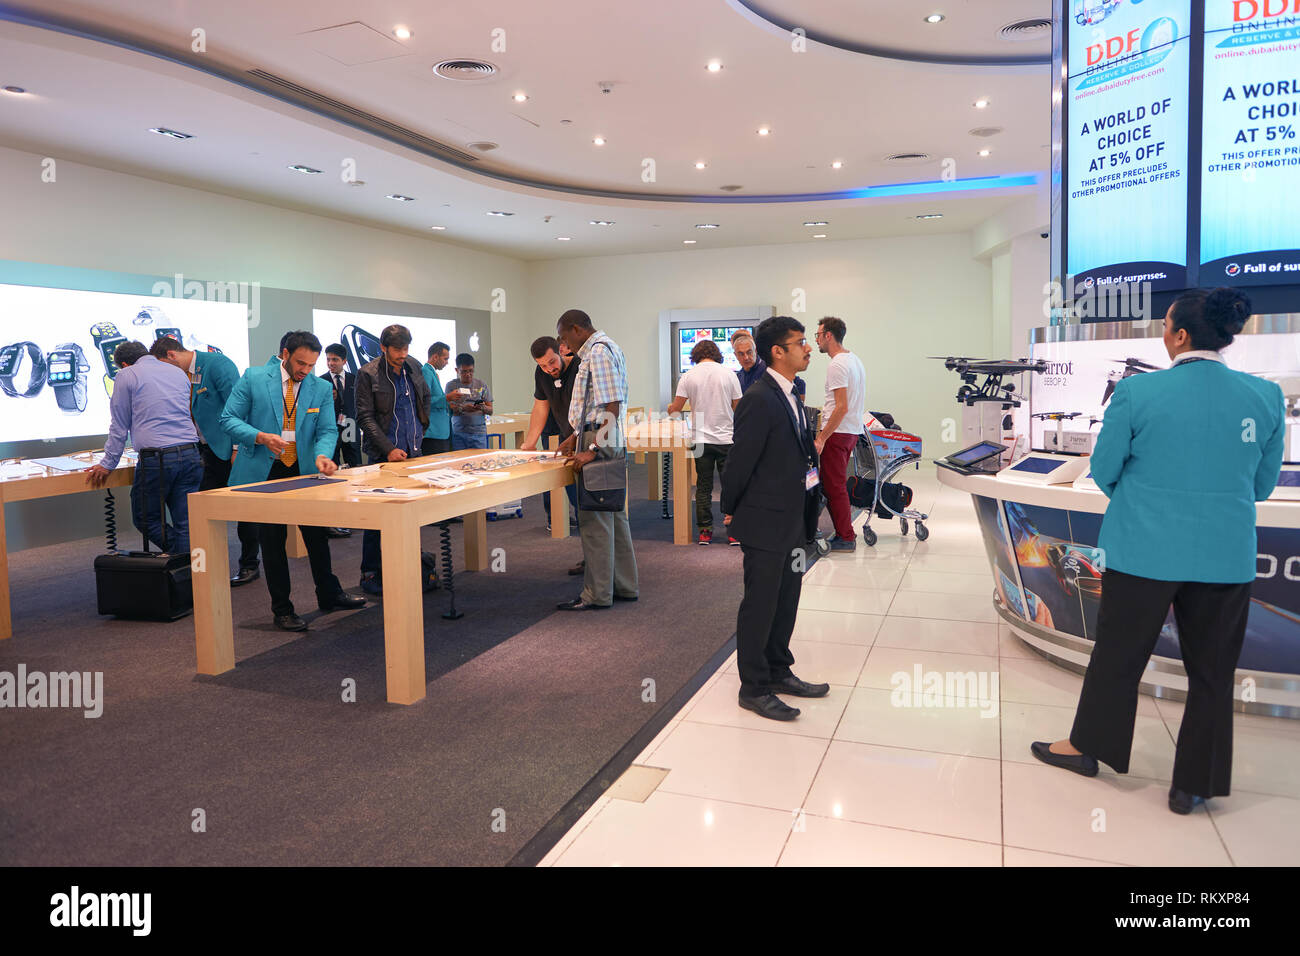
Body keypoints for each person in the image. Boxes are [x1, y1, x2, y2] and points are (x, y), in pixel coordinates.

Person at [1032, 288, 1285, 815]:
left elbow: (1103, 471)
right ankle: (1194, 784)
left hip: (1141, 552)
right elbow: (1261, 487)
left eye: (1166, 327)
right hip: (1224, 557)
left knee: (1118, 657)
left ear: (1181, 336)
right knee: (1213, 673)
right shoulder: (1263, 398)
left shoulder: (1137, 394)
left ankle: (1088, 748)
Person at [721, 316, 829, 721]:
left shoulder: (790, 392)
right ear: (777, 352)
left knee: (786, 600)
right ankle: (753, 687)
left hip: (793, 517)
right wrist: (730, 508)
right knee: (761, 604)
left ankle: (779, 670)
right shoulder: (759, 398)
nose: (809, 348)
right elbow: (739, 462)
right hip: (765, 520)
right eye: (801, 342)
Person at [220, 330, 365, 631]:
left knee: (317, 537)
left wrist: (323, 455)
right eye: (301, 363)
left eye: (311, 365)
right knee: (273, 543)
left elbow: (326, 430)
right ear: (285, 354)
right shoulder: (254, 378)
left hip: (304, 471)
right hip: (265, 472)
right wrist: (258, 436)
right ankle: (282, 609)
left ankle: (329, 593)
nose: (305, 371)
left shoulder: (320, 388)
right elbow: (228, 419)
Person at [150, 336, 263, 585]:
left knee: (244, 509)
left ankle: (249, 564)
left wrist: (237, 449)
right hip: (206, 450)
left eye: (162, 364)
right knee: (203, 510)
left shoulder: (217, 364)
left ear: (171, 355)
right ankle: (204, 566)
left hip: (232, 450)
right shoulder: (183, 375)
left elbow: (240, 408)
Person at [86, 340, 203, 555]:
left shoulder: (126, 375)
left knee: (145, 518)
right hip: (190, 453)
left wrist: (107, 463)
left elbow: (119, 425)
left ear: (124, 364)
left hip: (157, 459)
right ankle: (191, 575)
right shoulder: (178, 373)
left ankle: (180, 560)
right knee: (186, 522)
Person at [555, 310, 638, 610]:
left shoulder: (598, 352)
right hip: (597, 435)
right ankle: (624, 587)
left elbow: (611, 405)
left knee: (595, 521)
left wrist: (593, 449)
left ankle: (596, 595)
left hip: (600, 438)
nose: (564, 345)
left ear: (577, 329)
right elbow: (596, 403)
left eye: (565, 337)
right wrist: (574, 435)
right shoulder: (607, 347)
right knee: (614, 516)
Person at [354, 324, 432, 596]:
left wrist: (423, 428)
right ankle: (370, 572)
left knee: (410, 514)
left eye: (406, 348)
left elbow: (424, 398)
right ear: (384, 347)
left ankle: (407, 567)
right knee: (379, 517)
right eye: (397, 349)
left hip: (413, 453)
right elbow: (364, 417)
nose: (402, 354)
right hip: (383, 457)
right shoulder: (368, 374)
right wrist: (387, 449)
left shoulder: (413, 366)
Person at [667, 339, 741, 545]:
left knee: (703, 486)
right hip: (727, 438)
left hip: (700, 439)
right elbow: (739, 408)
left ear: (695, 356)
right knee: (730, 485)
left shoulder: (688, 376)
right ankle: (733, 530)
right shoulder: (729, 374)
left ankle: (705, 531)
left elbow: (676, 408)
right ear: (717, 354)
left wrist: (669, 408)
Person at [813, 316, 868, 552]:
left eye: (817, 335)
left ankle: (846, 536)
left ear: (828, 335)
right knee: (833, 484)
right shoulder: (854, 360)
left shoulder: (836, 364)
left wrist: (822, 437)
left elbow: (841, 406)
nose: (816, 340)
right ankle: (842, 532)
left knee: (833, 486)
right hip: (850, 431)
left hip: (838, 433)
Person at [523, 335, 580, 534]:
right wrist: (529, 444)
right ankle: (592, 558)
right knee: (575, 496)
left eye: (552, 362)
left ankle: (600, 559)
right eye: (543, 366)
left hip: (585, 439)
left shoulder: (580, 367)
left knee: (588, 503)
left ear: (561, 351)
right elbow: (540, 407)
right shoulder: (542, 374)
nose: (549, 369)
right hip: (567, 441)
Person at [732, 329, 807, 402]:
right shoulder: (739, 377)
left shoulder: (771, 368)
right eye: (741, 354)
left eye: (749, 352)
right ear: (735, 355)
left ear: (755, 351)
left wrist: (797, 409)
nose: (746, 357)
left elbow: (800, 385)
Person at [321, 344, 360, 468]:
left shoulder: (355, 379)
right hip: (331, 427)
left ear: (344, 361)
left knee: (354, 462)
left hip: (351, 425)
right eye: (328, 359)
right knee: (332, 462)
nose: (330, 363)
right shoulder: (320, 381)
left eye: (335, 359)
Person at [446, 354, 492, 450]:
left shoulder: (481, 385)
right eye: (464, 371)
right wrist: (463, 408)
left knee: (480, 462)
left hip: (479, 433)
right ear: (457, 370)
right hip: (459, 433)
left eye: (471, 371)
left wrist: (482, 407)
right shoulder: (451, 386)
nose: (468, 374)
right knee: (459, 462)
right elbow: (448, 408)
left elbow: (490, 410)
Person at [421, 341, 453, 456]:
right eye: (445, 359)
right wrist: (448, 398)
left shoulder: (432, 373)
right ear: (435, 357)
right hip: (433, 433)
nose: (447, 363)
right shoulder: (426, 372)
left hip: (440, 432)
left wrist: (451, 403)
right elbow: (425, 401)